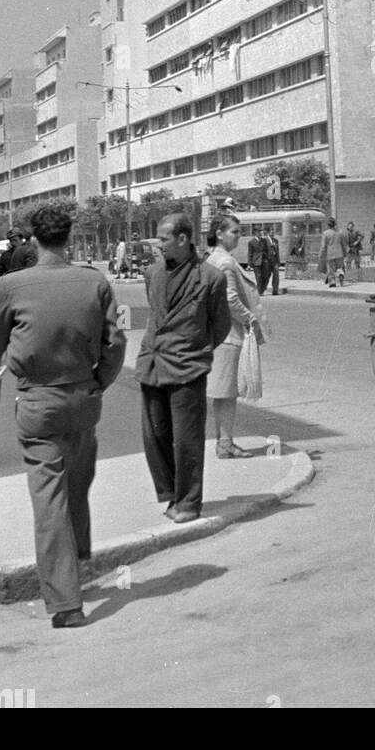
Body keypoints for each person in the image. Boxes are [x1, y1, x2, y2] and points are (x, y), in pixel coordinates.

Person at [0, 206, 125, 629]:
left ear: (34, 240)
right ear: (68, 237)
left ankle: (65, 602)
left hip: (38, 401)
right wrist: (100, 381)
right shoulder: (94, 280)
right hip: (84, 397)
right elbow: (115, 342)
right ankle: (77, 565)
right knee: (77, 483)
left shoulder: (12, 285)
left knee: (50, 500)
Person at [137, 212, 231, 523]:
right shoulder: (153, 273)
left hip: (187, 367)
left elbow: (220, 326)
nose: (158, 244)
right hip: (153, 363)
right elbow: (155, 314)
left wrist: (197, 350)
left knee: (187, 439)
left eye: (163, 239)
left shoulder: (211, 277)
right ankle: (171, 494)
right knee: (155, 436)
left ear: (182, 239)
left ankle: (189, 502)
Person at [203, 213, 263, 458]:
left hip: (217, 332)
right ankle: (225, 443)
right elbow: (230, 299)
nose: (238, 236)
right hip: (229, 334)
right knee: (227, 394)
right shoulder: (225, 262)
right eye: (234, 231)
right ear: (219, 233)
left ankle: (224, 442)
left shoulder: (212, 259)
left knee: (223, 392)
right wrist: (251, 318)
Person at [318, 216, 346, 287]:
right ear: (334, 224)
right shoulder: (340, 233)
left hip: (330, 254)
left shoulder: (325, 233)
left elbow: (323, 246)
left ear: (328, 225)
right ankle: (340, 275)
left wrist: (321, 254)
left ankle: (332, 282)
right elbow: (343, 245)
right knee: (339, 267)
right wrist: (344, 253)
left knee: (330, 269)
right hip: (340, 254)